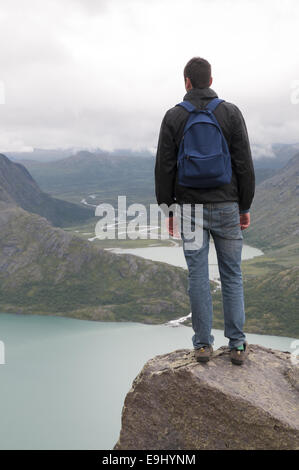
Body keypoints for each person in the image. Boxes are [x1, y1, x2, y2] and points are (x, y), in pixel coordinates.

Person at [155, 57, 255, 365]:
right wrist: (245, 206)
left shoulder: (174, 117)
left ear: (187, 82)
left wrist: (168, 209)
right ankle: (237, 344)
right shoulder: (230, 112)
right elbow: (243, 164)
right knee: (232, 274)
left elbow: (164, 168)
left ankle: (202, 345)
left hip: (189, 208)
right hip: (227, 206)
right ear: (210, 81)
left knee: (198, 276)